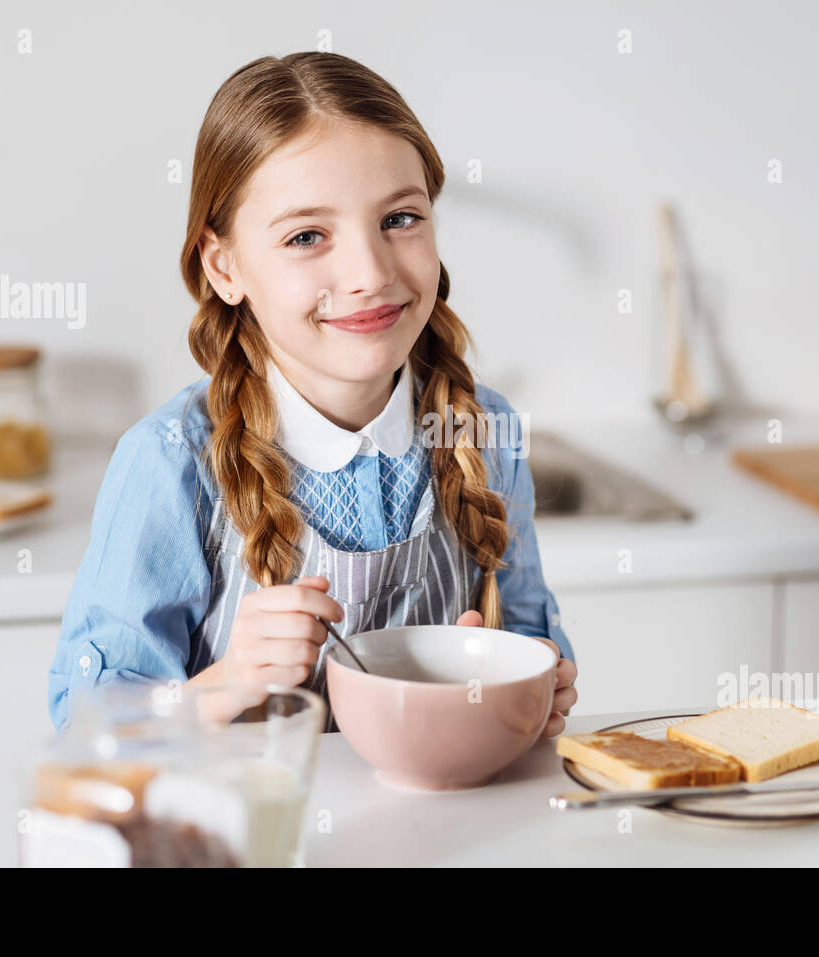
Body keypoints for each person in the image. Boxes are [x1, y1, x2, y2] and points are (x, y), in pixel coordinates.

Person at [48, 52, 577, 735]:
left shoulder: (486, 430)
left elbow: (534, 637)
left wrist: (533, 680)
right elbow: (87, 730)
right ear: (224, 265)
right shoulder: (171, 460)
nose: (368, 273)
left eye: (400, 219)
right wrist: (226, 682)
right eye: (306, 236)